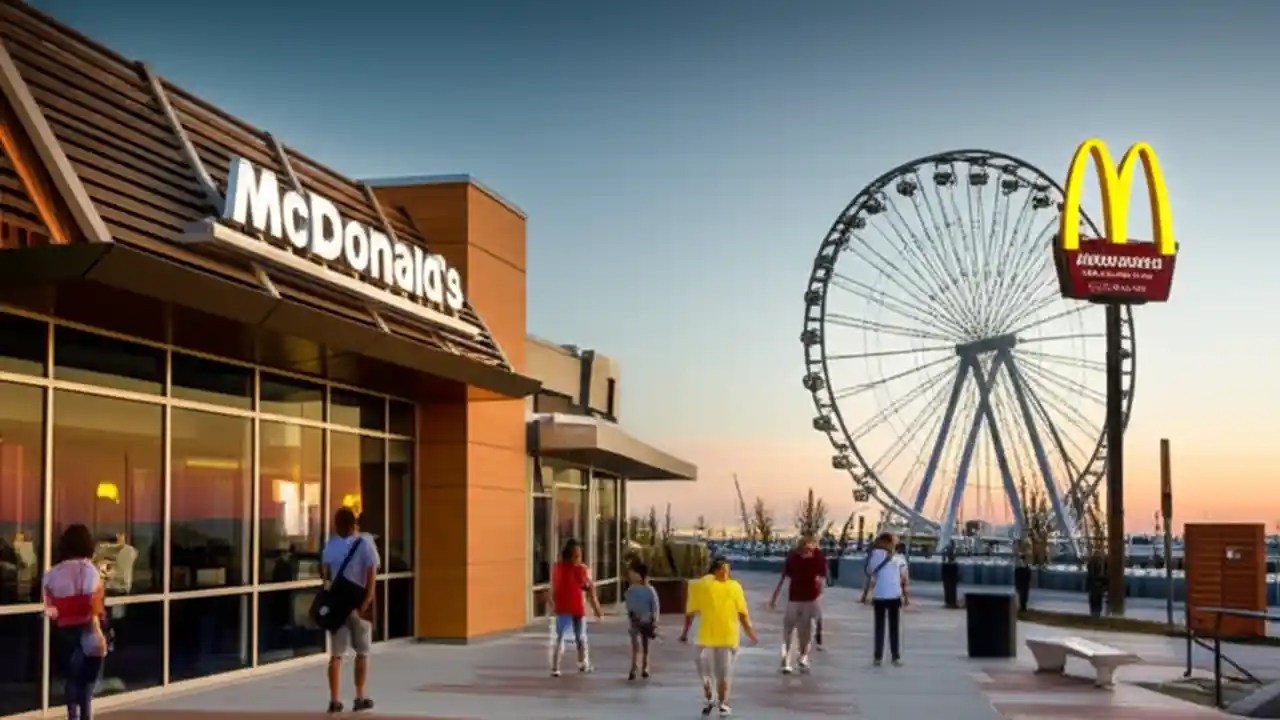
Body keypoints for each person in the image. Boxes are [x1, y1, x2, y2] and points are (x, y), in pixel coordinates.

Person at [44, 524, 108, 720]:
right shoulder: (89, 570)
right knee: (87, 682)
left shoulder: (52, 574)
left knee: (71, 678)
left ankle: (72, 715)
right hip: (87, 627)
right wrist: (98, 630)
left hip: (64, 629)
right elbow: (92, 602)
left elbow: (50, 607)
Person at [681, 556, 758, 717]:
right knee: (714, 672)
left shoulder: (724, 586)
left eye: (727, 570)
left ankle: (718, 700)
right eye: (722, 570)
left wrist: (750, 632)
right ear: (715, 571)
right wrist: (685, 632)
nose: (725, 573)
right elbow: (691, 611)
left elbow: (742, 613)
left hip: (719, 637)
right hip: (715, 638)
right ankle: (716, 700)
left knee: (717, 673)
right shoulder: (717, 586)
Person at [320, 507, 380, 713]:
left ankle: (334, 700)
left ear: (336, 524)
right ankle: (359, 696)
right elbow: (372, 573)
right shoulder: (365, 543)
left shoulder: (331, 545)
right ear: (354, 524)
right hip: (357, 604)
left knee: (336, 655)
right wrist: (367, 600)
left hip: (338, 605)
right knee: (362, 652)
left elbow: (326, 574)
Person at [768, 533, 826, 673]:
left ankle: (803, 657)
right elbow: (785, 576)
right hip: (794, 598)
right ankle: (786, 660)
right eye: (806, 545)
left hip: (811, 598)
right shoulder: (793, 557)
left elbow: (822, 577)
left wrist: (820, 596)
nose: (809, 548)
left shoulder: (818, 557)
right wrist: (775, 597)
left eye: (811, 545)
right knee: (788, 629)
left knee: (806, 631)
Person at [550, 538, 603, 676]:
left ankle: (558, 667)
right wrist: (597, 610)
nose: (579, 558)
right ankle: (581, 663)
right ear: (572, 555)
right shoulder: (580, 569)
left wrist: (553, 602)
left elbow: (555, 587)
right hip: (573, 607)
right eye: (577, 555)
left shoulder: (558, 568)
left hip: (565, 607)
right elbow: (590, 590)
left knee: (564, 637)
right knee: (578, 637)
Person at [860, 532, 909, 667]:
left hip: (879, 595)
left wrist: (866, 594)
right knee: (894, 628)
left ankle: (878, 657)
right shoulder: (899, 558)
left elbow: (870, 573)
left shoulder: (874, 556)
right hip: (894, 595)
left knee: (879, 627)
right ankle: (895, 656)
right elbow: (904, 578)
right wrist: (906, 596)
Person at [623, 560, 660, 680]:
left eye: (633, 573)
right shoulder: (630, 590)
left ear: (640, 575)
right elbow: (629, 605)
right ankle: (634, 667)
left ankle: (645, 666)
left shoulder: (649, 590)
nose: (631, 576)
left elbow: (655, 605)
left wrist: (654, 619)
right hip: (635, 621)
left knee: (646, 645)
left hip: (647, 621)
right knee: (636, 644)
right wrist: (631, 613)